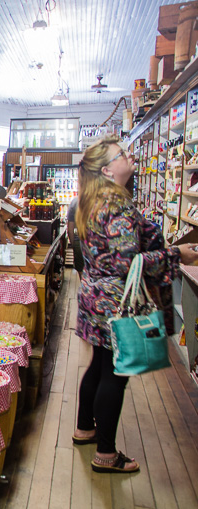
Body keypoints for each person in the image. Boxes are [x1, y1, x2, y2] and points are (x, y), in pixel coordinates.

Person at [72, 135, 198, 474]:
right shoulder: (115, 203)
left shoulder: (91, 199)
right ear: (108, 170)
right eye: (122, 154)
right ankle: (106, 454)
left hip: (95, 296)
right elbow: (129, 262)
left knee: (99, 365)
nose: (129, 157)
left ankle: (85, 427)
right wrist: (177, 254)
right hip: (117, 303)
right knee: (117, 372)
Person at [66, 197, 84, 280]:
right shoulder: (100, 201)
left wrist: (73, 243)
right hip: (95, 242)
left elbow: (70, 228)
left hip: (79, 238)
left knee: (80, 269)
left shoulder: (75, 202)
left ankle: (83, 285)